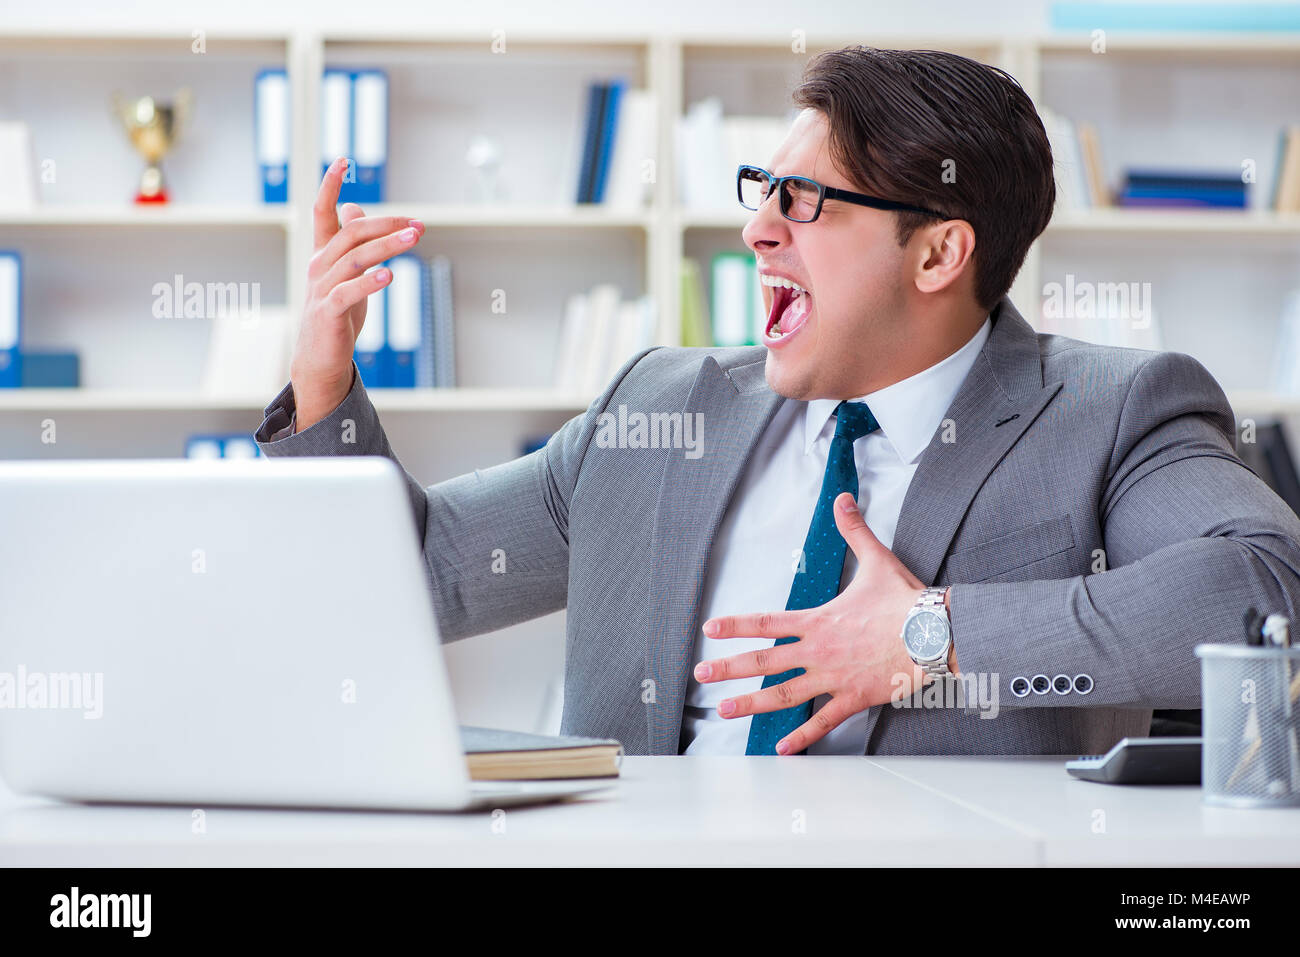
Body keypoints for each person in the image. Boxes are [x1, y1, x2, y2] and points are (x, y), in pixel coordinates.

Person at [255, 46, 1300, 757]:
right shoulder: (654, 408)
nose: (758, 230)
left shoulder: (1108, 411)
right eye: (763, 189)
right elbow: (421, 578)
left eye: (804, 202)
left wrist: (928, 639)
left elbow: (1266, 594)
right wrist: (323, 383)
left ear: (938, 250)